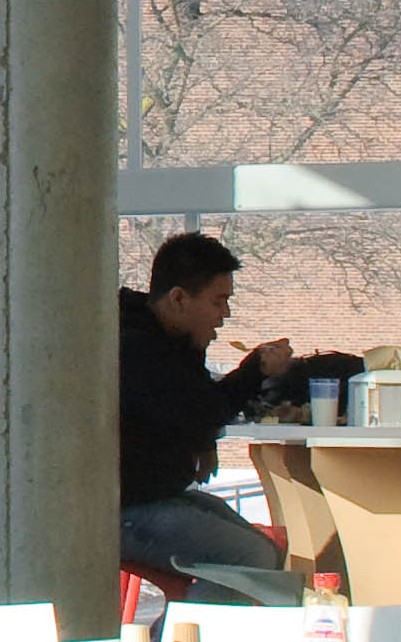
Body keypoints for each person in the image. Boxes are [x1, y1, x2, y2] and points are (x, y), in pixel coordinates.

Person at [118, 233, 303, 579]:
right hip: (124, 510)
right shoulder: (135, 348)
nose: (225, 315)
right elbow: (201, 409)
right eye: (218, 302)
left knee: (269, 554)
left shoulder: (172, 341)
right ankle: (182, 634)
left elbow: (190, 410)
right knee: (251, 556)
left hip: (156, 496)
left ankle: (184, 626)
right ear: (179, 299)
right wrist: (255, 371)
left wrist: (204, 441)